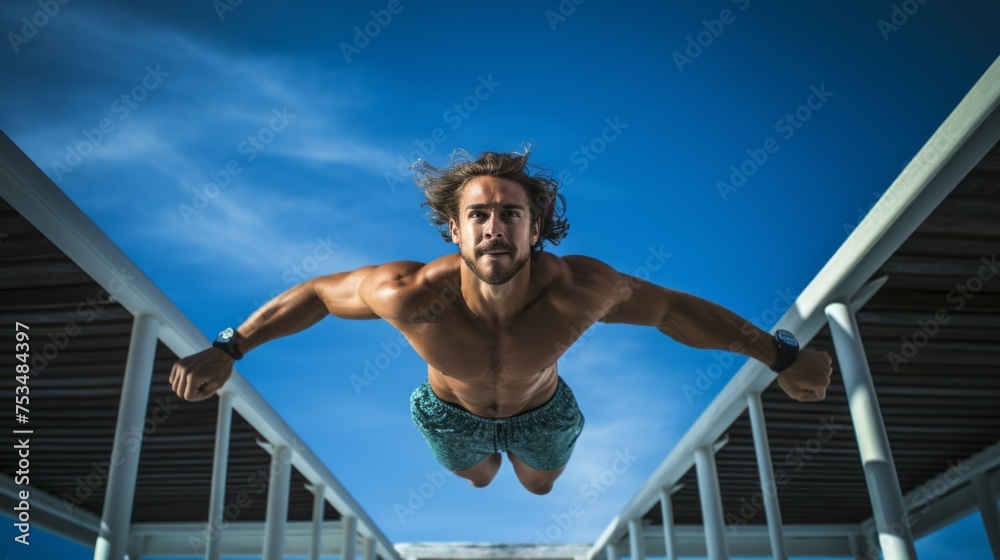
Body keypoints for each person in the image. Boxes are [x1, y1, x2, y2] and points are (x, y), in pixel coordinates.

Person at [170, 148, 832, 495]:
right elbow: (316, 294)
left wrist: (779, 356)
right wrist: (229, 348)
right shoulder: (406, 292)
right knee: (478, 474)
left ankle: (523, 465)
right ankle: (483, 465)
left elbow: (673, 311)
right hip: (447, 411)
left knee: (540, 486)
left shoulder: (581, 289)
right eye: (478, 216)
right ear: (453, 230)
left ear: (536, 228)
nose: (494, 228)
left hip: (543, 410)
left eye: (510, 214)